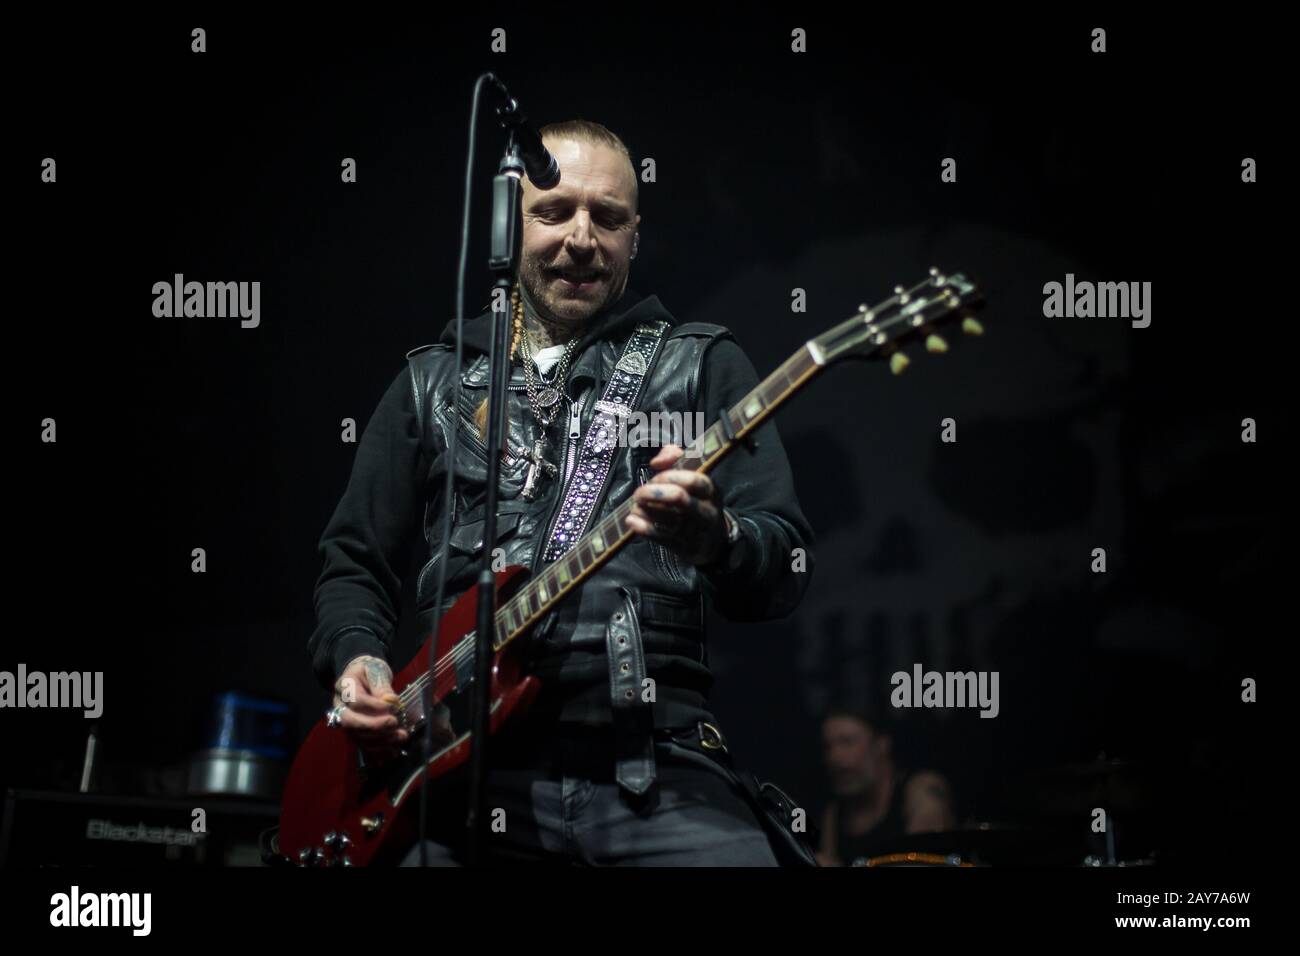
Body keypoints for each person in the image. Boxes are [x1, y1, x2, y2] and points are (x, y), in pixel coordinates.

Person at [307, 119, 816, 865]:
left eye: (607, 217)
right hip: (455, 771)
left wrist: (716, 537)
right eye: (555, 212)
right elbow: (354, 561)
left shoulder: (702, 363)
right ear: (511, 225)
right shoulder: (433, 379)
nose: (582, 237)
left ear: (633, 238)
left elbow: (784, 568)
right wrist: (359, 660)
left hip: (652, 762)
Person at [817, 705, 955, 866]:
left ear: (881, 744)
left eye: (847, 742)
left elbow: (921, 857)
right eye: (828, 747)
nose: (834, 757)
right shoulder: (834, 815)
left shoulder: (919, 788)